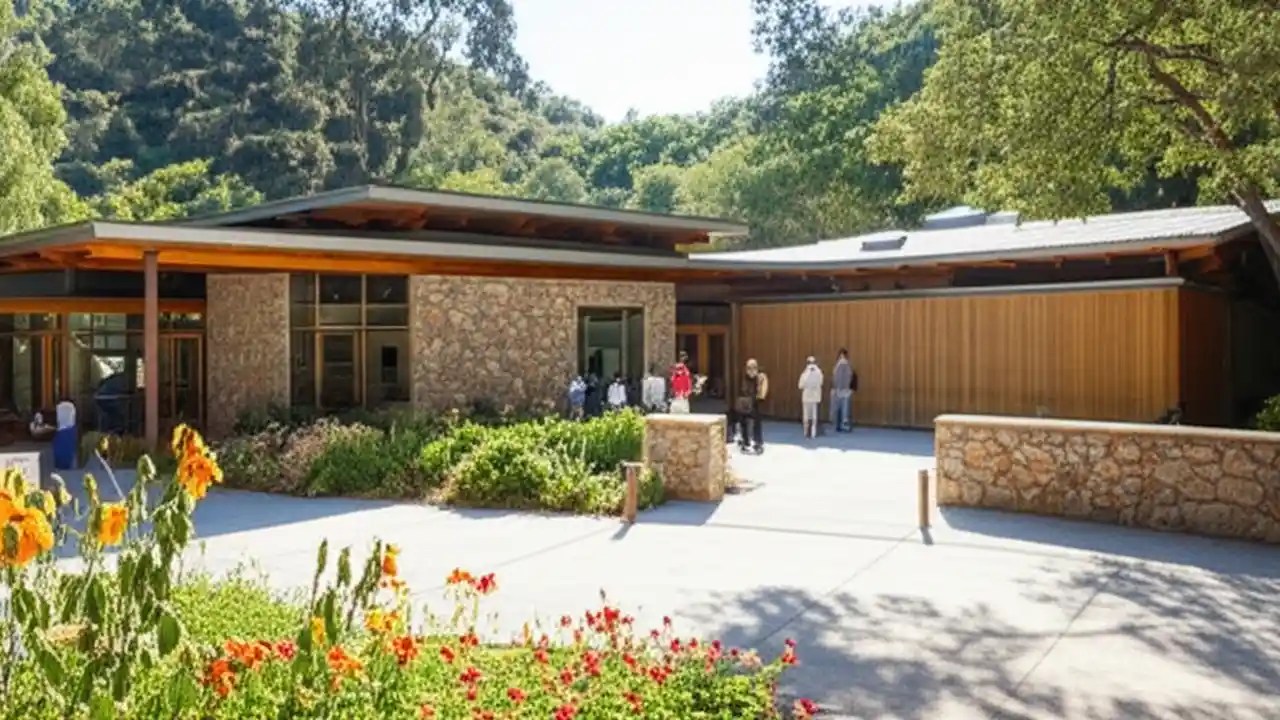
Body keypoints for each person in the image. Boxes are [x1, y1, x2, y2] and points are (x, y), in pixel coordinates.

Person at [734, 358, 768, 453]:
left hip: (755, 403)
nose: (751, 370)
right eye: (749, 368)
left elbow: (762, 391)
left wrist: (759, 397)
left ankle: (758, 442)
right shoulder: (744, 377)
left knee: (756, 423)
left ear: (756, 368)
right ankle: (745, 442)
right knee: (743, 422)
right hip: (745, 403)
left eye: (753, 368)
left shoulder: (760, 377)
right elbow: (742, 389)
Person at [798, 356, 824, 439]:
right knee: (814, 415)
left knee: (806, 415)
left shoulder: (805, 373)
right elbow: (821, 383)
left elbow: (800, 385)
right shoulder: (819, 373)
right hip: (815, 396)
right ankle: (813, 433)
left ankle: (806, 432)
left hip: (806, 396)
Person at [831, 348, 854, 432]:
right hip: (844, 390)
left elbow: (839, 378)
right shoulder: (846, 364)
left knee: (841, 409)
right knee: (844, 409)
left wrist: (838, 388)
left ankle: (841, 424)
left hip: (841, 390)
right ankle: (841, 424)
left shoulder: (842, 364)